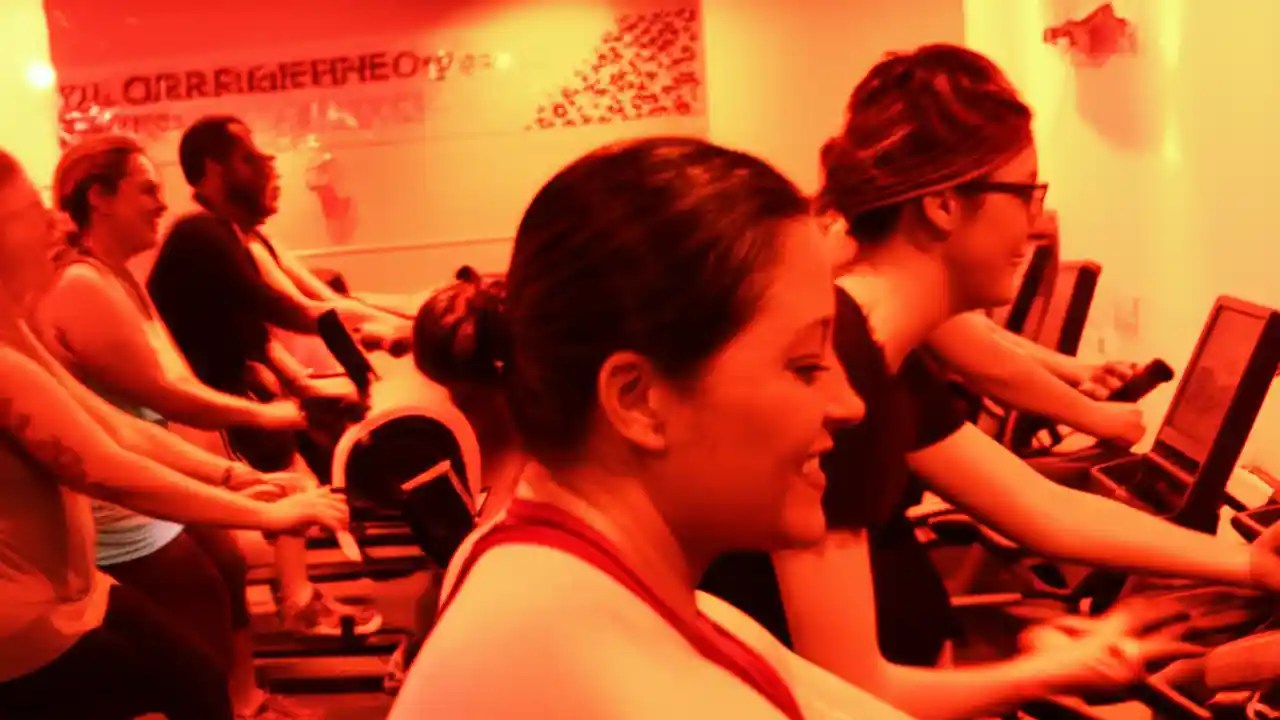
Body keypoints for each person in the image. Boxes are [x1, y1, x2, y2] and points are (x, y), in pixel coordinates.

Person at [386, 136, 1198, 719]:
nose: (848, 405)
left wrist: (1051, 665)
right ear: (637, 399)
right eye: (806, 365)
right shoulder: (606, 671)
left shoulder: (585, 579)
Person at [701, 44, 1280, 719]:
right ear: (945, 204)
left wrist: (1247, 566)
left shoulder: (881, 352)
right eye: (1025, 192)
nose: (1035, 222)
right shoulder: (843, 369)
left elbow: (1041, 509)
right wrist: (1047, 672)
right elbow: (851, 695)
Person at [0, 148, 347, 720]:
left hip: (76, 598)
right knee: (191, 687)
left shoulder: (16, 329)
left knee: (197, 680)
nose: (55, 223)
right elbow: (102, 465)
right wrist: (262, 512)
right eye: (33, 211)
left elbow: (115, 425)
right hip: (25, 632)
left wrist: (235, 478)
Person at [146, 119, 382, 635]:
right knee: (290, 481)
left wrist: (308, 384)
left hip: (222, 395)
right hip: (195, 410)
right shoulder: (198, 232)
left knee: (297, 472)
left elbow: (258, 330)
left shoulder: (229, 235)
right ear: (212, 169)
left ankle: (297, 597)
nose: (267, 165)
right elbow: (283, 308)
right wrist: (374, 348)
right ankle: (296, 604)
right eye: (249, 156)